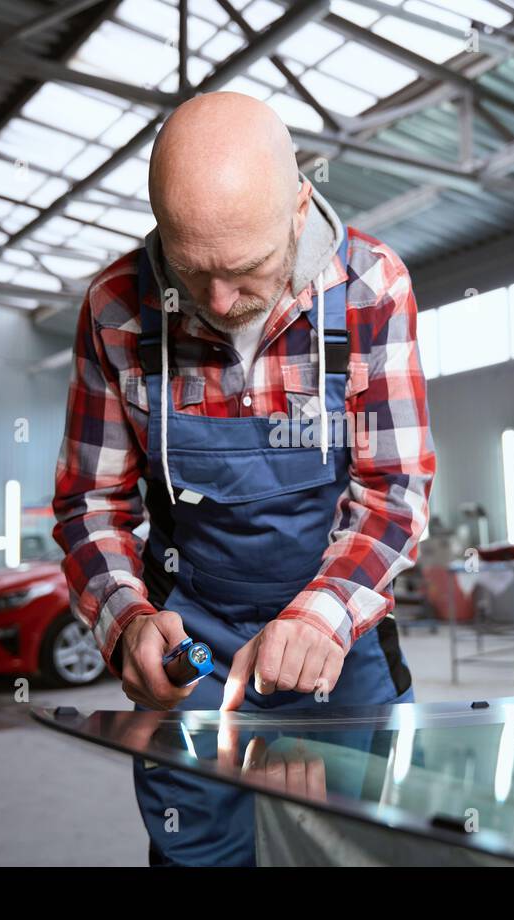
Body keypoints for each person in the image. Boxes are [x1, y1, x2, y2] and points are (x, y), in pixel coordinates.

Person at [52, 91, 436, 865]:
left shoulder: (371, 291)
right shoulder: (117, 309)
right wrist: (124, 620)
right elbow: (90, 504)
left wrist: (321, 617)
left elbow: (394, 496)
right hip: (190, 653)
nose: (218, 305)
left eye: (243, 272)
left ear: (299, 208)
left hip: (340, 647)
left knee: (353, 851)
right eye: (191, 273)